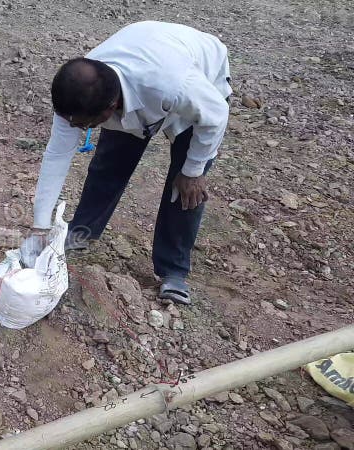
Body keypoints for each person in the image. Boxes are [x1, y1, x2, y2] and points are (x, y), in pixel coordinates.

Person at [23, 21, 232, 305]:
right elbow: (57, 157)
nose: (76, 128)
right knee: (108, 166)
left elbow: (216, 115)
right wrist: (39, 227)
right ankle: (82, 232)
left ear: (110, 108)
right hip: (141, 78)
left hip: (198, 78)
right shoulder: (80, 95)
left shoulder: (174, 85)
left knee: (184, 189)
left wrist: (193, 170)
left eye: (84, 125)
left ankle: (174, 271)